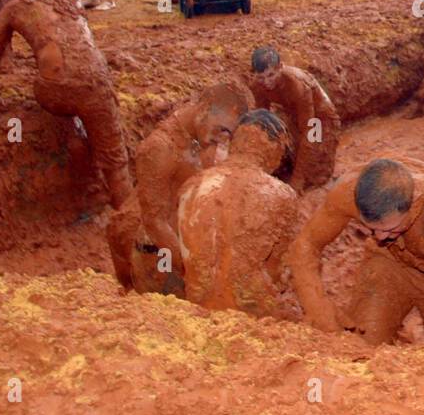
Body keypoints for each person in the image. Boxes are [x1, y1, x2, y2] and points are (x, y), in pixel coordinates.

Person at [0, 0, 131, 210]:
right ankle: (128, 216)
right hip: (97, 84)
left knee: (69, 107)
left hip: (54, 90)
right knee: (116, 162)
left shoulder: (14, 7)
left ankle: (76, 143)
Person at [284, 157, 424, 344]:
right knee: (360, 347)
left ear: (411, 208)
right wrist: (317, 305)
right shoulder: (348, 192)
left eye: (390, 229)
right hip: (388, 260)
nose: (378, 237)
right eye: (371, 228)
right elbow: (306, 245)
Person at [106, 81, 253, 293]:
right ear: (204, 108)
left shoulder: (194, 138)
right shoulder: (160, 148)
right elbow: (153, 222)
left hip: (174, 250)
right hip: (156, 256)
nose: (220, 138)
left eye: (227, 134)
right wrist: (193, 270)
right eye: (221, 129)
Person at [175, 110, 302, 319]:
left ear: (234, 143)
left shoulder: (192, 185)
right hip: (249, 314)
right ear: (275, 149)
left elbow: (184, 258)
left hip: (197, 307)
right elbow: (277, 273)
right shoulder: (282, 195)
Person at [248, 46, 341, 192]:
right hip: (294, 113)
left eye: (271, 75)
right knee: (294, 158)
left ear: (280, 68)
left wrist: (297, 180)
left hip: (320, 117)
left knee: (316, 173)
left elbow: (310, 131)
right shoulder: (257, 86)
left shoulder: (298, 86)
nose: (266, 82)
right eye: (261, 77)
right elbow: (261, 119)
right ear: (255, 75)